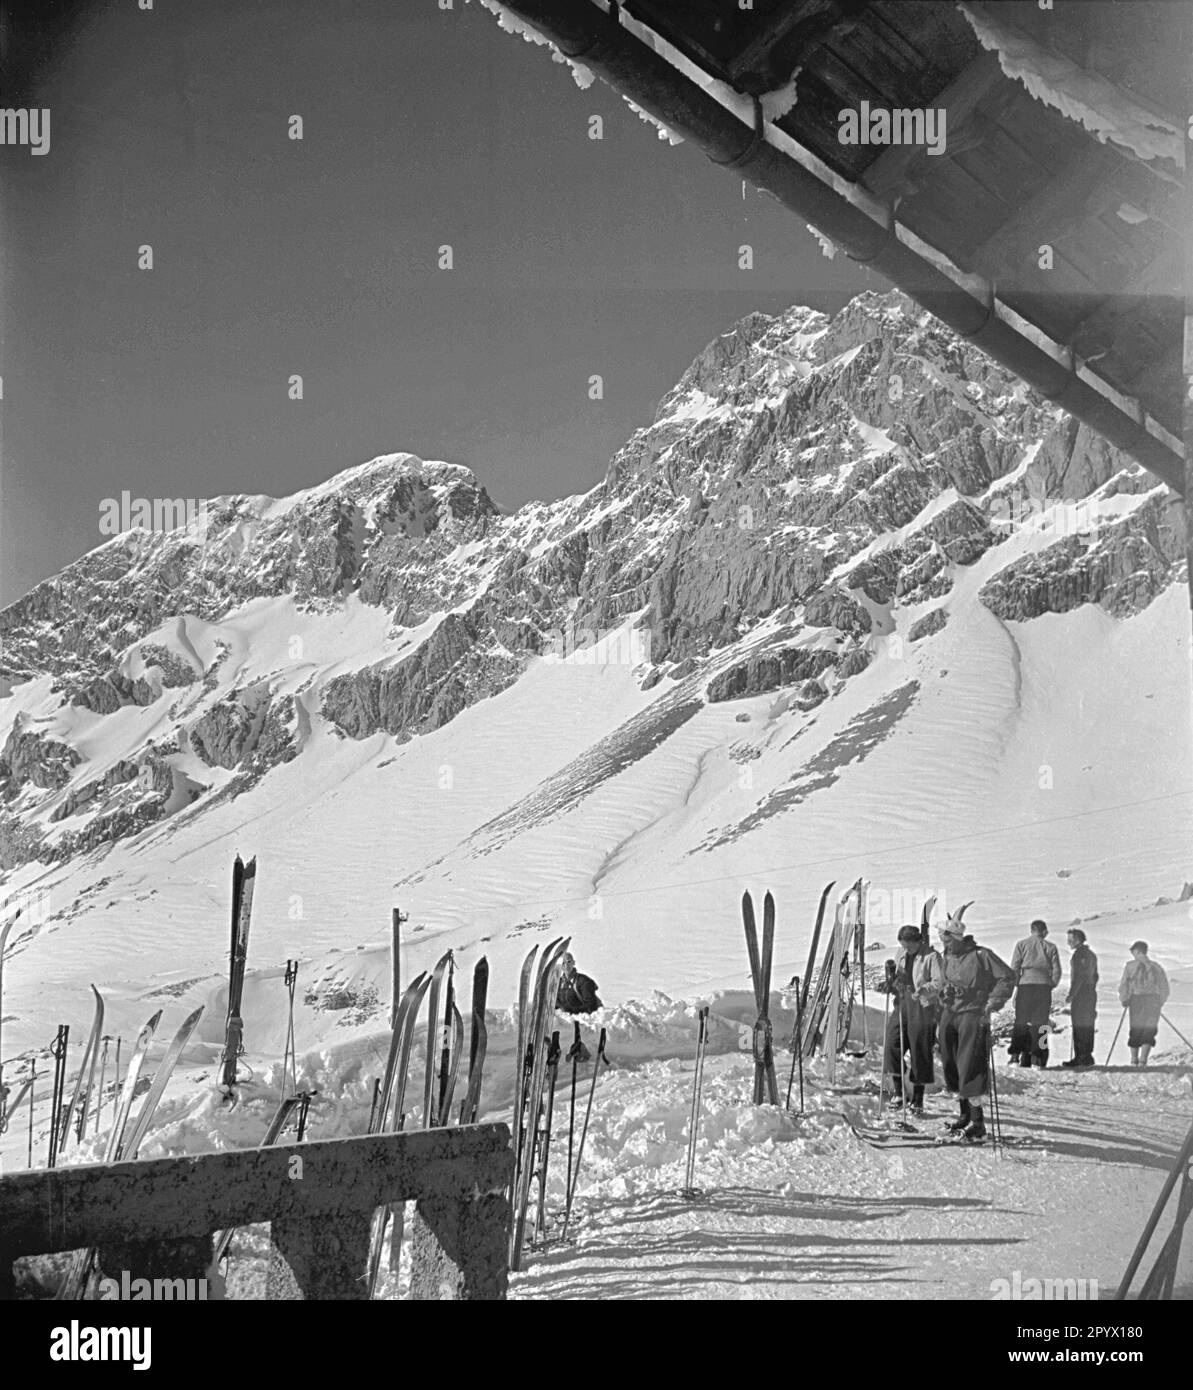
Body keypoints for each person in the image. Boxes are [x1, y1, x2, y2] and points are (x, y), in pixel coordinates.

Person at [937, 906, 1015, 1141]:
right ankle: (964, 1116)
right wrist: (945, 994)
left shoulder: (982, 955)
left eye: (947, 939)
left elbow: (1007, 976)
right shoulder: (948, 957)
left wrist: (993, 1002)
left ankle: (978, 1123)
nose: (945, 943)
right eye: (943, 939)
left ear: (957, 938)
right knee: (951, 1062)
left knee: (969, 1065)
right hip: (951, 1013)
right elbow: (944, 984)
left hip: (973, 1014)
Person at [878, 924, 944, 1115]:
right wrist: (889, 985)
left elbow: (939, 982)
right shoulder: (901, 954)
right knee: (892, 1043)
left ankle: (918, 1098)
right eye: (903, 946)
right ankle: (899, 1092)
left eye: (909, 946)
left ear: (918, 941)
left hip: (923, 1006)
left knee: (920, 1050)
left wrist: (924, 989)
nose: (906, 949)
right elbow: (899, 977)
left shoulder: (932, 957)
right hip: (902, 1004)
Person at [1009, 919, 1061, 1068]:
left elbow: (1015, 968)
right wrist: (1051, 984)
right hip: (1043, 986)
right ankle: (1037, 1059)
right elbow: (1056, 970)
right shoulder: (1051, 947)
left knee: (1021, 1021)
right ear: (1044, 931)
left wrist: (1017, 985)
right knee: (1041, 1022)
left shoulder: (1021, 944)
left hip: (1025, 985)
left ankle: (1015, 1056)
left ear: (1031, 930)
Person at [1118, 941, 1169, 1067]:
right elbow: (1164, 987)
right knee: (1149, 1029)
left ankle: (1134, 1060)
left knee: (1136, 1028)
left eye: (1133, 951)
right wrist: (1160, 1002)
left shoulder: (1130, 966)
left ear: (1138, 951)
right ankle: (1143, 1060)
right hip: (1153, 1000)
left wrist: (1124, 999)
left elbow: (1124, 984)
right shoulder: (1156, 967)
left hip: (1136, 1000)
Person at [1063, 928, 1098, 1068]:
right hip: (1090, 991)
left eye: (1070, 940)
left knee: (1079, 1024)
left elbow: (1079, 977)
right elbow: (1095, 976)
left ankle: (1081, 1057)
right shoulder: (1091, 954)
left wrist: (1072, 994)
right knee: (1088, 1024)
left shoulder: (1079, 955)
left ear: (1077, 940)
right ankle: (1087, 1055)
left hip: (1082, 993)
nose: (1068, 943)